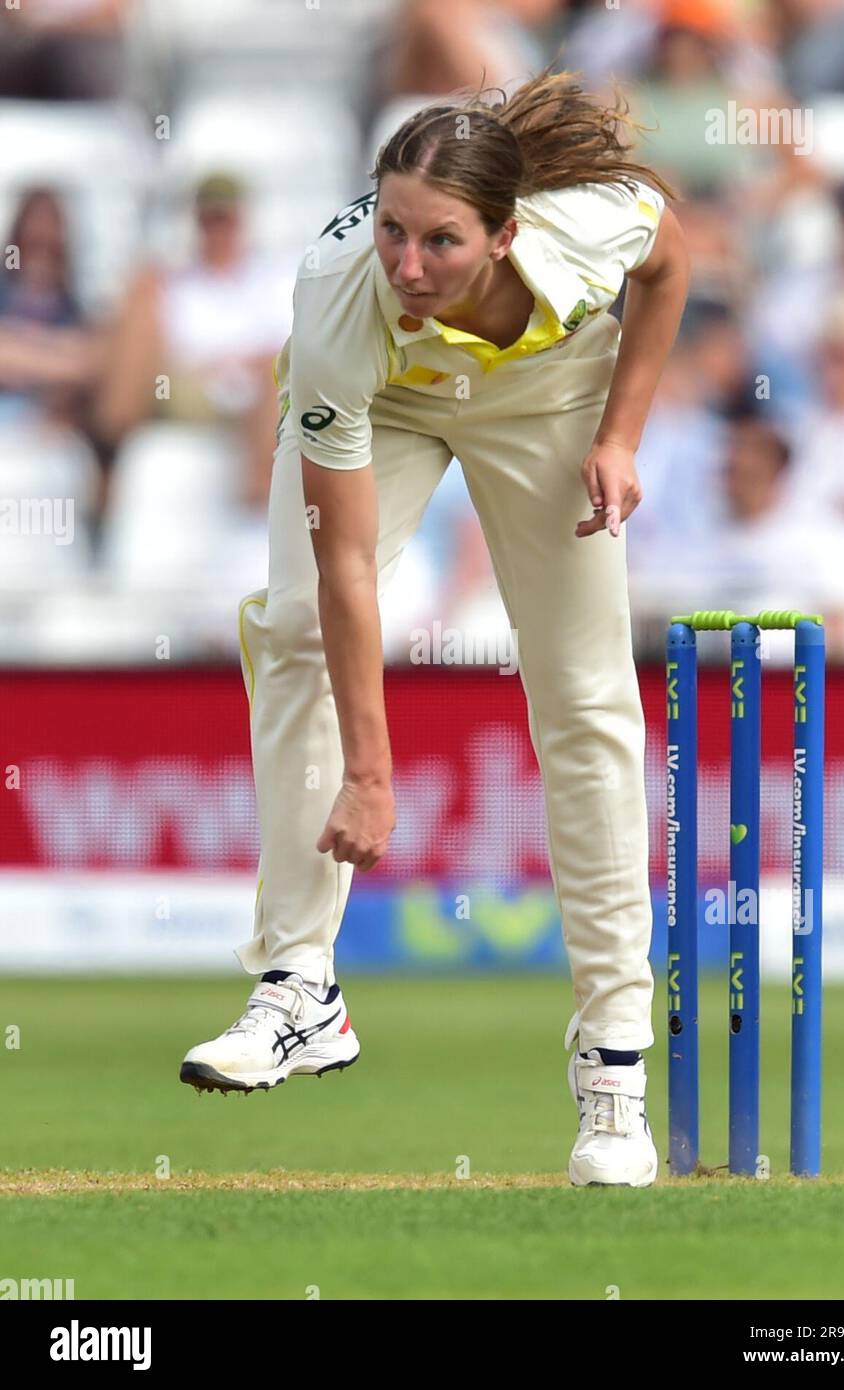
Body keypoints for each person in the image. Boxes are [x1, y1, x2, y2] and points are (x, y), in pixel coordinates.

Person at [179, 69, 690, 1189]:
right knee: (300, 621)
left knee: (586, 698)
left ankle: (611, 1070)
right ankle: (298, 987)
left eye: (442, 244)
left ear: (504, 235)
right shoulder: (339, 302)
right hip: (389, 395)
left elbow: (667, 267)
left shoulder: (592, 222)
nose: (408, 267)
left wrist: (622, 434)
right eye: (394, 233)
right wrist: (370, 772)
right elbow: (348, 563)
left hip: (549, 390)